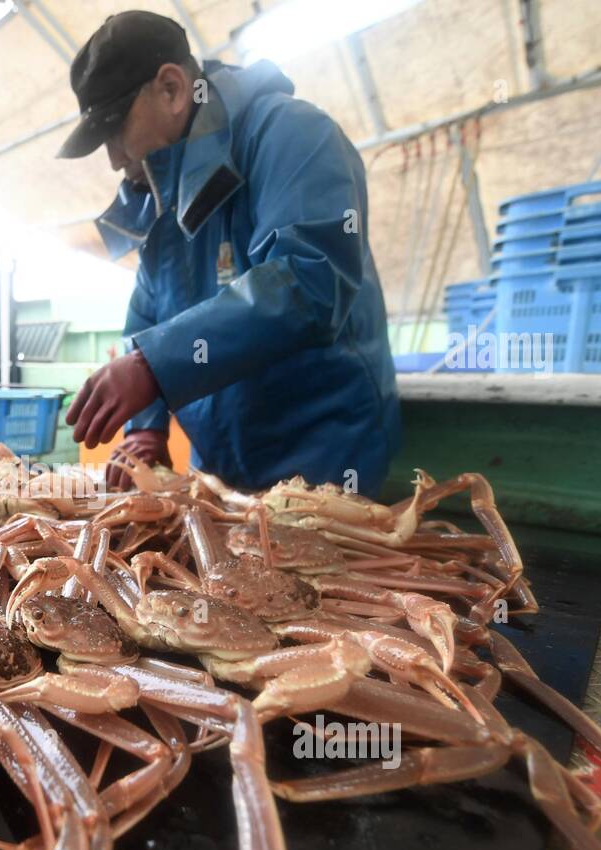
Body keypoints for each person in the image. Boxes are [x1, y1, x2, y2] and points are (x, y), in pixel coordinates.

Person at [61, 11, 401, 495]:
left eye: (114, 130)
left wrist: (151, 367)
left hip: (323, 464)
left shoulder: (294, 135)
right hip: (219, 469)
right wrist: (146, 424)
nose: (113, 158)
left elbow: (310, 280)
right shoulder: (163, 196)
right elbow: (148, 314)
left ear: (173, 89)